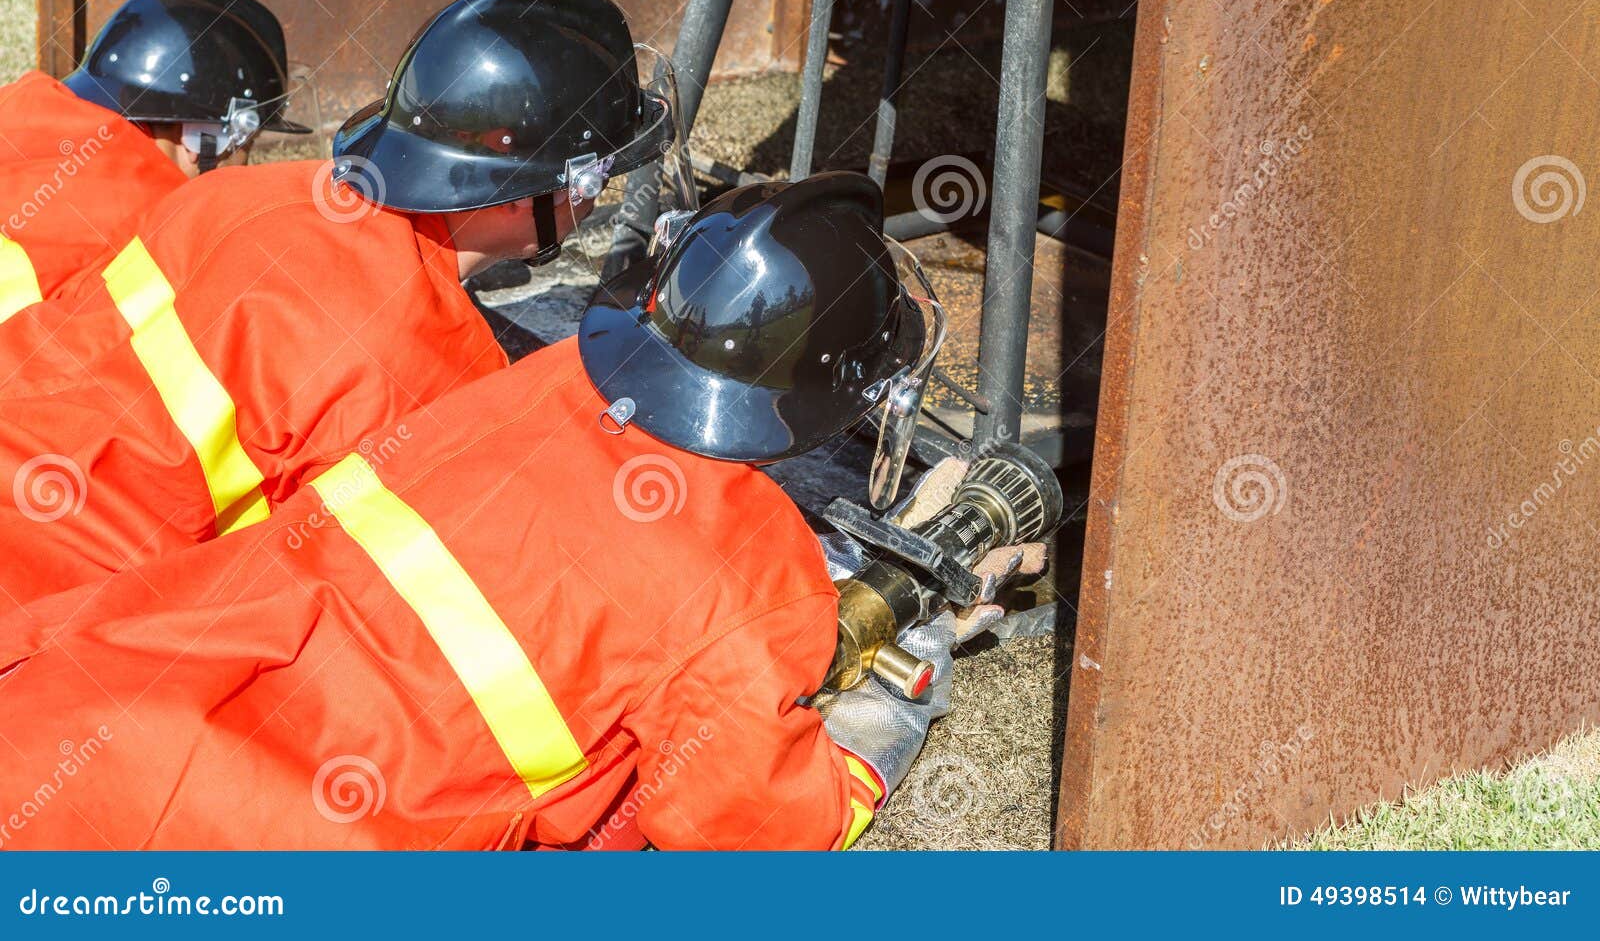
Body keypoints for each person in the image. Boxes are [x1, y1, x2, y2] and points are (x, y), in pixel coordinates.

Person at [0, 173, 1043, 850]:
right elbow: (743, 824)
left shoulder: (531, 385)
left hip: (77, 713)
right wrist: (887, 704)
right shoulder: (748, 571)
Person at [0, 0, 675, 609]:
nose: (600, 198)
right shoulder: (432, 364)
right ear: (537, 189)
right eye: (604, 177)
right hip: (49, 593)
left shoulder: (236, 195)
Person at [0, 0, 309, 320]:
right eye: (245, 148)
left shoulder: (20, 103)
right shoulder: (152, 238)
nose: (243, 170)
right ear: (204, 140)